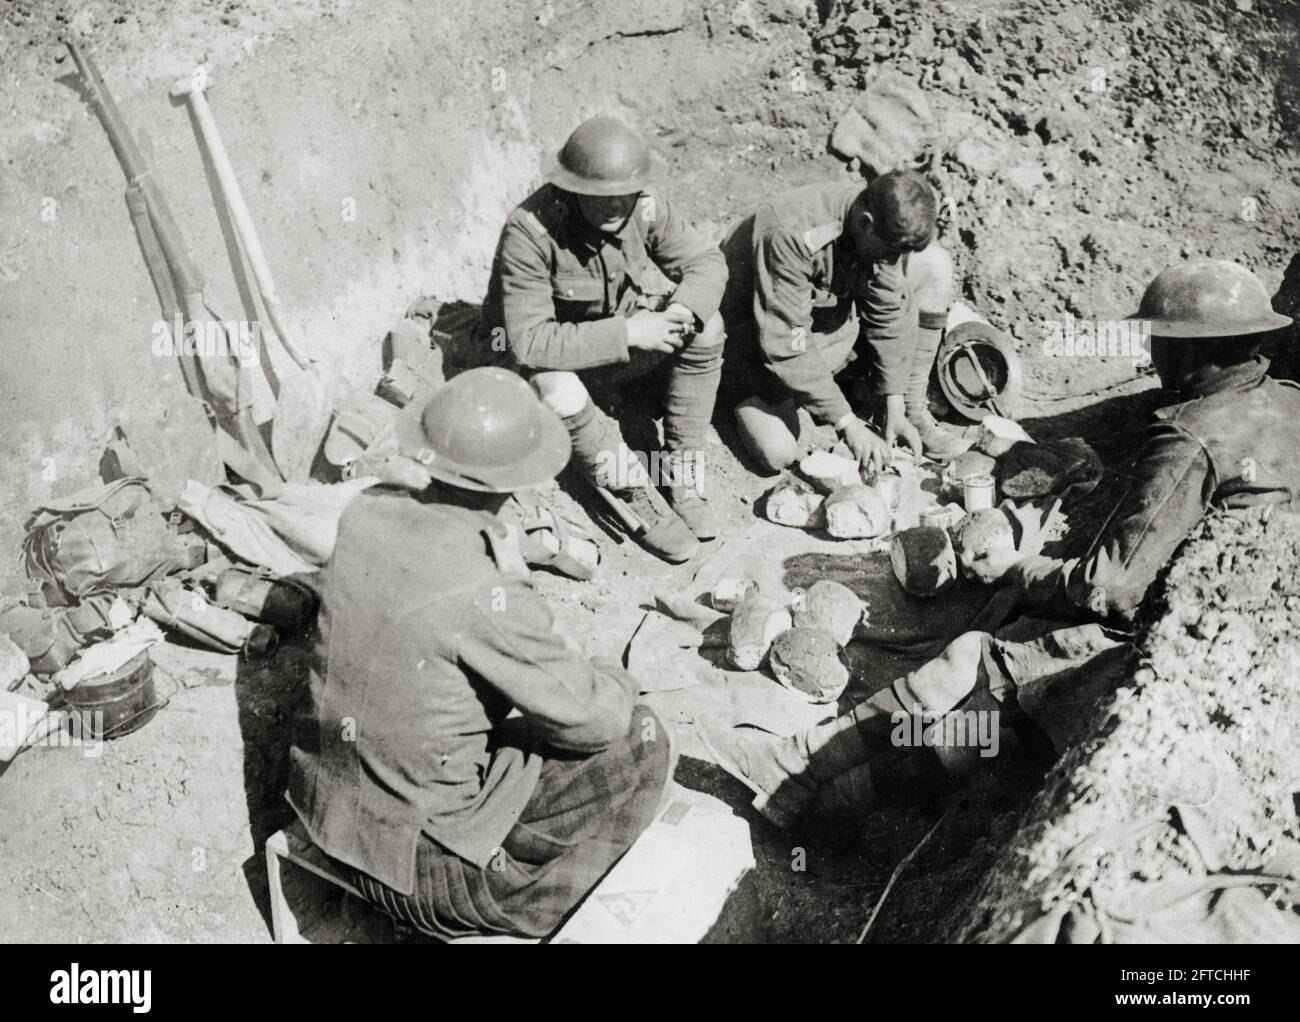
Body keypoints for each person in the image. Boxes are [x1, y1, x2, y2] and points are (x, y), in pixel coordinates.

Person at [700, 259, 1298, 827]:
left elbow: (1110, 588)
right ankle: (818, 795)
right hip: (1251, 651)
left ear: (1192, 350)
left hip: (1170, 647)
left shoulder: (1190, 438)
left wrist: (1020, 567)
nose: (1151, 352)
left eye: (1161, 340)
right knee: (983, 725)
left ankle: (801, 776)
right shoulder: (1288, 401)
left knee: (971, 682)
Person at [288, 367, 672, 938]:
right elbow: (595, 721)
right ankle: (539, 908)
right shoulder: (487, 586)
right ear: (518, 474)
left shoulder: (366, 511)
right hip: (421, 872)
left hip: (322, 811)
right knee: (641, 737)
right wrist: (606, 668)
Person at [478, 116, 728, 563]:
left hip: (610, 346)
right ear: (571, 188)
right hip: (542, 363)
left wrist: (681, 312)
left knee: (707, 325)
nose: (614, 207)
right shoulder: (530, 231)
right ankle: (634, 494)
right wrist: (631, 332)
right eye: (599, 198)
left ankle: (684, 473)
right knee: (558, 387)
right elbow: (529, 343)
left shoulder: (643, 205)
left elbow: (706, 261)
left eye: (624, 196)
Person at [718, 171, 968, 476]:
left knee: (933, 264)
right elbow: (787, 346)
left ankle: (903, 408)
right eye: (890, 253)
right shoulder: (792, 233)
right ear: (865, 224)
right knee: (779, 453)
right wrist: (846, 423)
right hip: (756, 344)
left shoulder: (876, 217)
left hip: (821, 328)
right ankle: (731, 396)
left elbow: (889, 309)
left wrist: (895, 399)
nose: (892, 262)